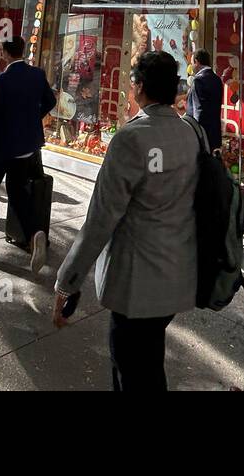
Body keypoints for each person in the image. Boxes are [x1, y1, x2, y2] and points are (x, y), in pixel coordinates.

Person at [53, 51, 201, 392]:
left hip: (138, 282)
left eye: (132, 81)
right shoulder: (190, 133)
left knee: (132, 367)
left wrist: (68, 280)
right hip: (177, 273)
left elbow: (101, 218)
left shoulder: (131, 138)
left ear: (140, 88)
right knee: (148, 363)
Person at [0, 35, 55, 270]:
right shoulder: (37, 75)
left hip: (0, 148)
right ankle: (34, 232)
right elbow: (50, 101)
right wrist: (32, 118)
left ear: (6, 53)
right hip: (26, 148)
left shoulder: (1, 80)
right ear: (23, 51)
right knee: (17, 193)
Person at [186, 48, 224, 153]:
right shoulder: (217, 79)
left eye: (192, 63)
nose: (191, 66)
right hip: (215, 132)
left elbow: (198, 110)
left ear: (197, 62)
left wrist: (197, 134)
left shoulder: (198, 80)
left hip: (202, 135)